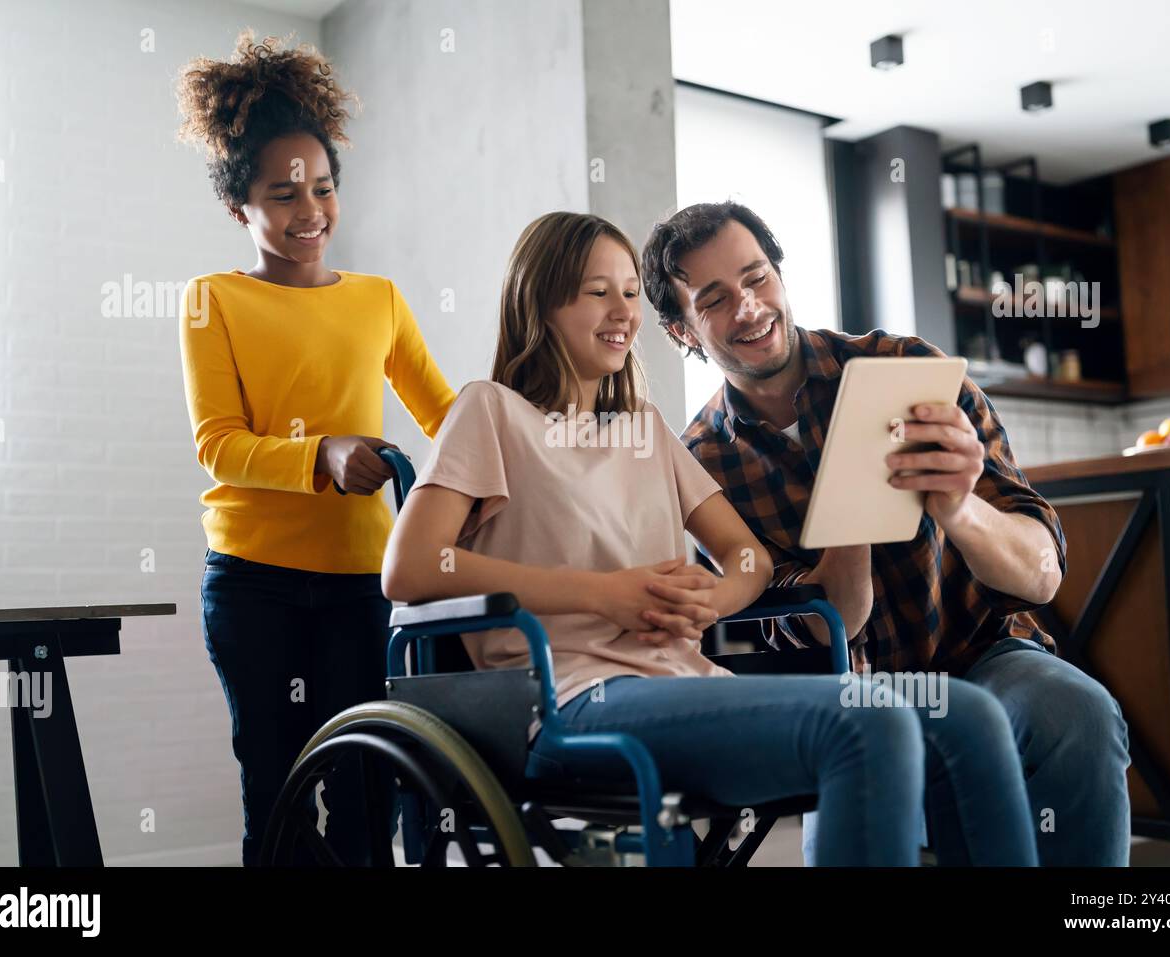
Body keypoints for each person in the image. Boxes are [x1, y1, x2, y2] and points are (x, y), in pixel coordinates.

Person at [382, 210, 1039, 866]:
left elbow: (745, 555)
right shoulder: (489, 411)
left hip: (687, 680)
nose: (622, 311)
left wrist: (714, 599)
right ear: (542, 302)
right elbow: (409, 567)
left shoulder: (643, 428)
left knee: (968, 717)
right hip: (567, 698)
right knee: (869, 723)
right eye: (596, 291)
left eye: (631, 293)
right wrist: (602, 593)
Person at [641, 200, 1131, 866]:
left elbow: (1041, 573)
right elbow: (827, 624)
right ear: (681, 332)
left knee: (1079, 712)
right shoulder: (699, 460)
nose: (750, 306)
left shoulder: (906, 368)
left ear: (781, 276)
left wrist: (959, 507)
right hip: (849, 691)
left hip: (984, 655)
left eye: (758, 278)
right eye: (717, 299)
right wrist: (853, 497)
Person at [175, 31, 455, 865]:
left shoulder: (380, 300)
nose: (311, 212)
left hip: (360, 585)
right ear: (241, 208)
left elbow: (447, 417)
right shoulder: (209, 301)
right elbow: (218, 446)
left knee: (371, 791)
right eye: (284, 194)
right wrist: (320, 454)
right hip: (253, 586)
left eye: (324, 188)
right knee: (279, 795)